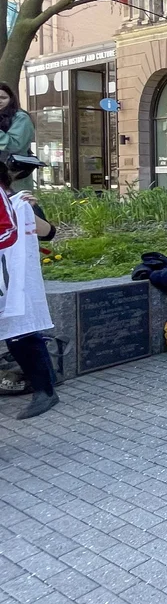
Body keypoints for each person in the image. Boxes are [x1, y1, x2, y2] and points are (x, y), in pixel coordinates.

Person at [0, 167, 59, 419]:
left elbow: (49, 233)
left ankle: (45, 390)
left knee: (21, 333)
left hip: (13, 279)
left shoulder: (19, 201)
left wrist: (25, 212)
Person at [0, 83, 34, 157]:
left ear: (11, 99)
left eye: (3, 98)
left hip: (9, 166)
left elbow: (15, 146)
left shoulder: (21, 118)